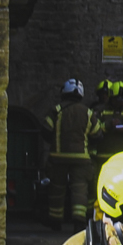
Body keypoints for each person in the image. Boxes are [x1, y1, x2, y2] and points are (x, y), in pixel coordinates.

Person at [48, 78, 94, 225]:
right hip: (82, 159)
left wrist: (56, 143)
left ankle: (55, 221)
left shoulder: (57, 110)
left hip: (58, 157)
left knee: (57, 188)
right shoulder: (88, 113)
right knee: (80, 189)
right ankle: (79, 220)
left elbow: (45, 129)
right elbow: (98, 133)